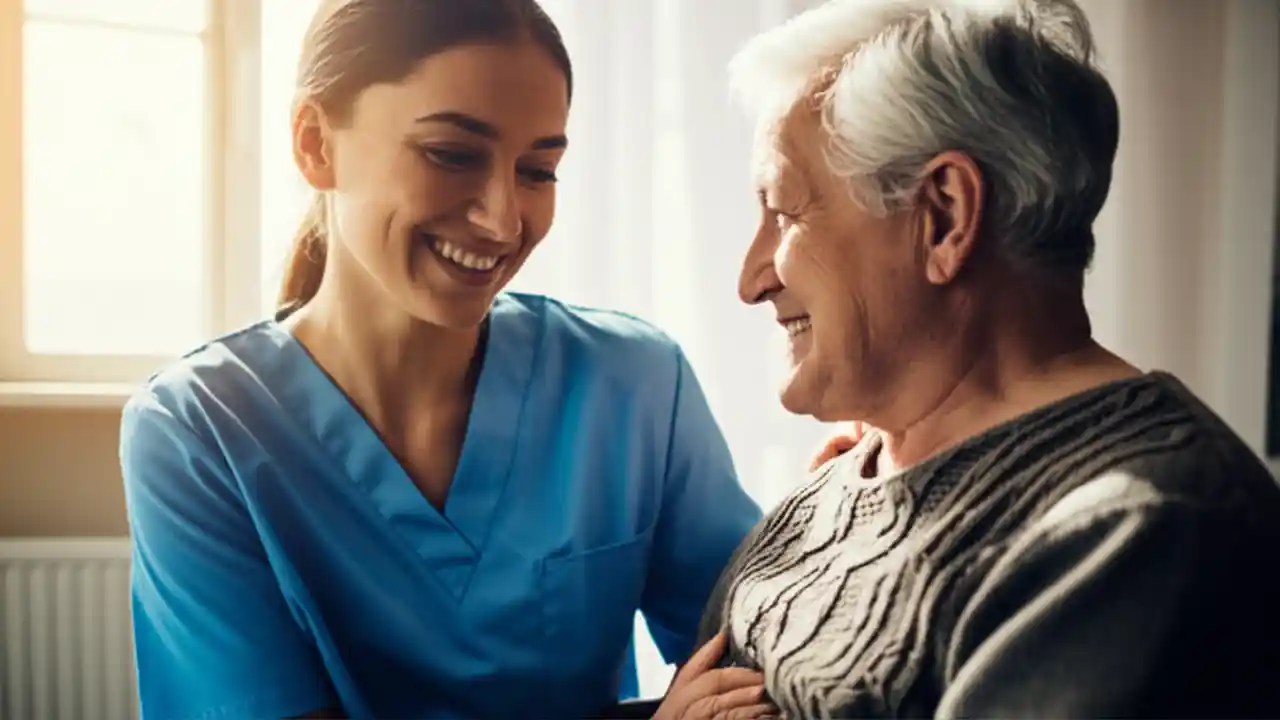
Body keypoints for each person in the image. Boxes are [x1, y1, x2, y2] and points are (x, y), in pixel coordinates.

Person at [117, 2, 762, 718]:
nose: (503, 220)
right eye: (452, 154)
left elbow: (763, 657)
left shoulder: (636, 385)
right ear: (314, 143)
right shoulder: (198, 431)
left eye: (539, 170)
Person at [682, 0, 1280, 717]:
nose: (751, 280)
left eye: (783, 212)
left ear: (944, 215)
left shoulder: (1143, 531)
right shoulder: (857, 470)